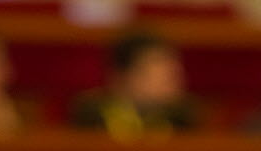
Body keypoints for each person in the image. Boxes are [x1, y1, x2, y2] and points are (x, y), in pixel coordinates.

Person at [70, 32, 200, 140]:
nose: (172, 76)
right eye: (156, 64)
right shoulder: (90, 119)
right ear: (121, 76)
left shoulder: (186, 120)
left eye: (172, 68)